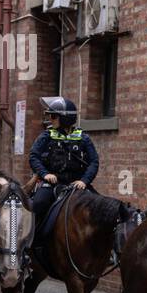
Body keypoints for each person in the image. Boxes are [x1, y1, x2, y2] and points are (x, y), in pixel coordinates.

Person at [28, 96, 99, 226]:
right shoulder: (46, 136)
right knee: (38, 204)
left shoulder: (83, 138)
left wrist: (84, 181)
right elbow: (33, 156)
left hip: (77, 184)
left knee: (99, 206)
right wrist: (45, 174)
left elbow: (94, 161)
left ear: (65, 118)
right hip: (53, 183)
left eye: (54, 116)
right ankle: (33, 242)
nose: (50, 119)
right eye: (50, 116)